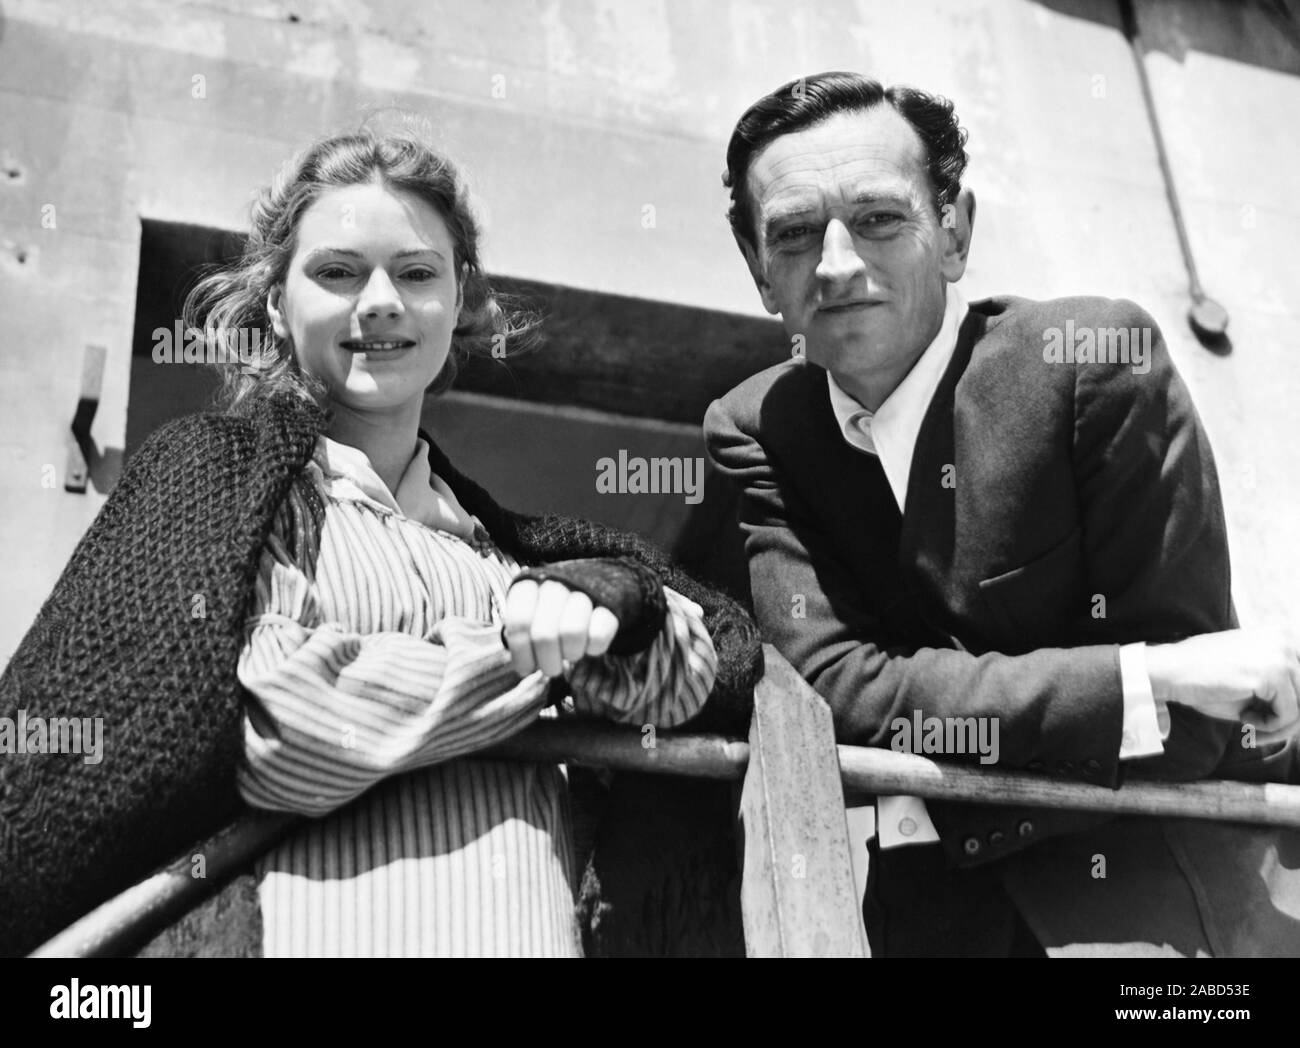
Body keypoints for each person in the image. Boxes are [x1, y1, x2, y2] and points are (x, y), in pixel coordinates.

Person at [0, 121, 762, 957]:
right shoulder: (221, 484)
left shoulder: (509, 550)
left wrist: (623, 602)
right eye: (336, 272)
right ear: (276, 307)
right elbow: (270, 722)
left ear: (460, 299)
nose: (381, 301)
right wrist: (525, 659)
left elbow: (687, 672)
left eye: (416, 273)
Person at [704, 71, 1300, 957]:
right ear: (758, 271)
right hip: (915, 922)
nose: (834, 264)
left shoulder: (1094, 362)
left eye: (878, 219)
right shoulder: (756, 429)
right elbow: (834, 693)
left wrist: (1158, 691)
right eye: (793, 235)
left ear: (955, 232)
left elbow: (1195, 730)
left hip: (1152, 910)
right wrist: (1144, 679)